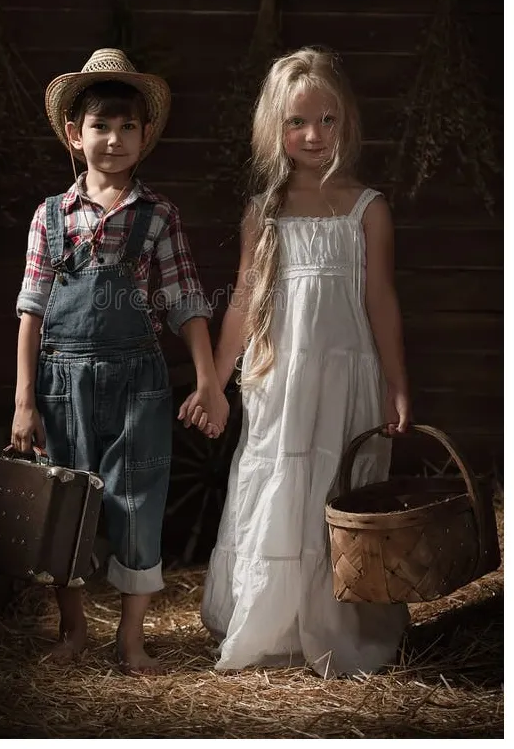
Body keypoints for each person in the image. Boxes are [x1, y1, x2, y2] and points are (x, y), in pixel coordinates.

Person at [180, 46, 411, 678]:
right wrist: (215, 384)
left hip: (346, 372)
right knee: (277, 482)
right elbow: (244, 303)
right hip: (279, 374)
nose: (313, 136)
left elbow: (381, 299)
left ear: (348, 122)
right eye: (296, 122)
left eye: (327, 120)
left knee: (341, 489)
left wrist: (397, 383)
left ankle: (344, 623)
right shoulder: (265, 212)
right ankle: (271, 620)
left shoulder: (369, 208)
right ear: (273, 129)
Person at [11, 48, 229, 673]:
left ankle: (130, 642)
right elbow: (31, 311)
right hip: (61, 382)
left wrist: (209, 379)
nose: (114, 138)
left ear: (144, 136)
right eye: (100, 126)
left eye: (127, 126)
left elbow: (188, 301)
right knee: (66, 508)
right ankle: (74, 631)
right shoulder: (50, 217)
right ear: (75, 137)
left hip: (139, 381)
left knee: (139, 504)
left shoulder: (158, 216)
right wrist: (25, 401)